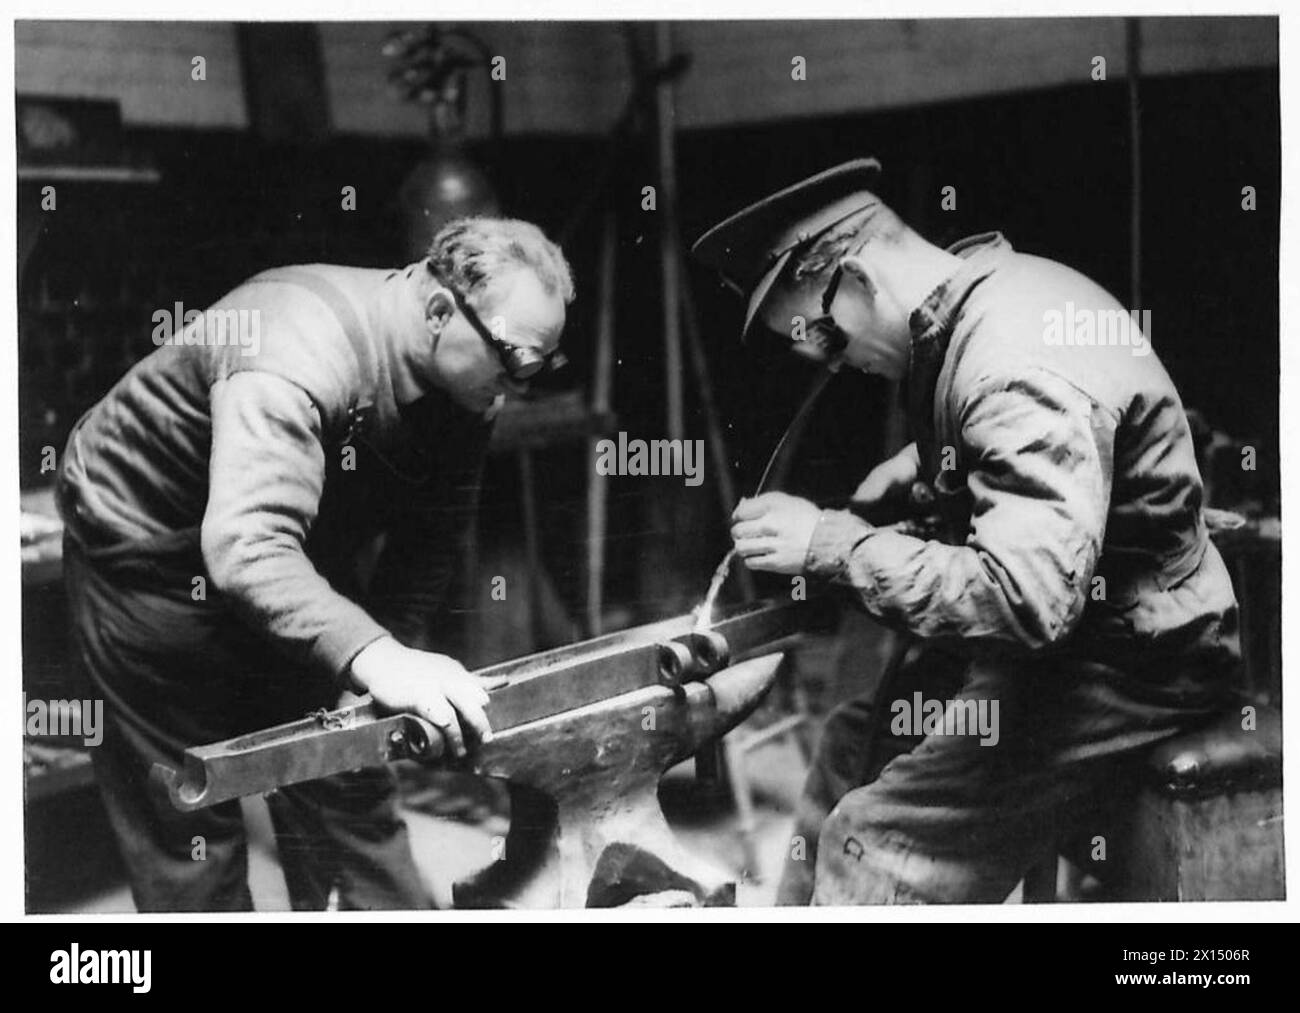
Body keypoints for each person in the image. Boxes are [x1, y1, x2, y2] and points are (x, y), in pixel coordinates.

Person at [691, 160, 1239, 904]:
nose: (838, 362)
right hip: (1081, 637)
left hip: (1133, 662)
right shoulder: (980, 303)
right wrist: (928, 466)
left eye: (824, 337)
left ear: (857, 280)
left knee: (874, 842)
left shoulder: (1011, 364)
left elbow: (1025, 600)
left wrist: (830, 544)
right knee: (850, 751)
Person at [57, 217, 573, 910]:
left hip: (288, 551)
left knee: (352, 780)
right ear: (440, 311)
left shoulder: (470, 381)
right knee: (189, 822)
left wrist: (373, 667)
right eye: (515, 360)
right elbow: (245, 546)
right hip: (147, 556)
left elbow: (431, 540)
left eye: (540, 367)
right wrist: (377, 654)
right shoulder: (297, 345)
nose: (521, 385)